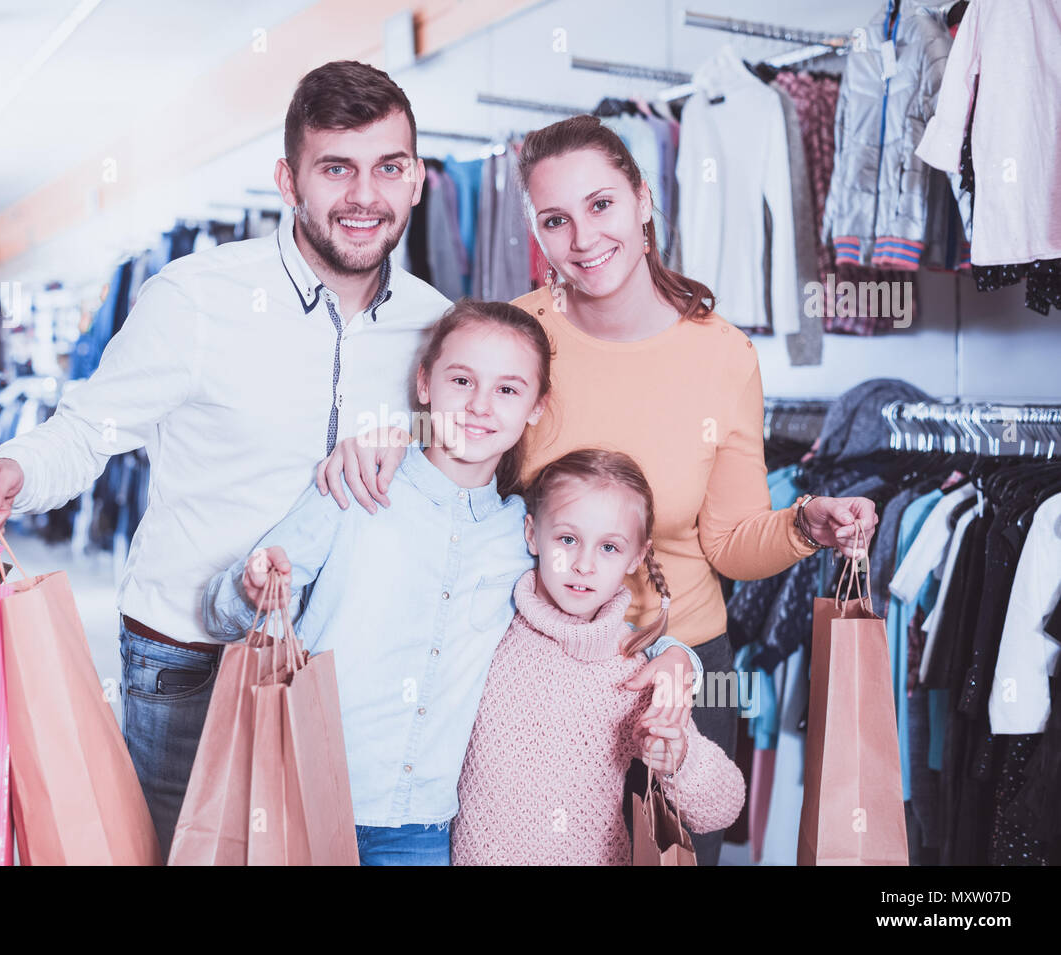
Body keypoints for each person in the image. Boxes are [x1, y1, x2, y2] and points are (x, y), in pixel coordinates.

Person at [314, 113, 879, 865]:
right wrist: (398, 436)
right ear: (537, 233)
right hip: (525, 663)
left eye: (601, 205)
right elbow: (462, 453)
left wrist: (806, 523)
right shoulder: (518, 331)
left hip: (674, 668)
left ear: (643, 200)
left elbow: (731, 543)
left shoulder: (722, 354)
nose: (582, 238)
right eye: (556, 219)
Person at [0, 60, 453, 857]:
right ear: (288, 179)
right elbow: (85, 429)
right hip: (191, 660)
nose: (365, 196)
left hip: (342, 662)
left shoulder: (438, 326)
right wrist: (16, 469)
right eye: (337, 169)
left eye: (388, 167)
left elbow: (454, 467)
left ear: (418, 179)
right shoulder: (194, 299)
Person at [204, 300, 700, 865]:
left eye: (509, 390)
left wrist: (680, 655)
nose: (480, 406)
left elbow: (601, 627)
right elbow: (222, 612)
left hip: (421, 829)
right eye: (462, 380)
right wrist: (250, 591)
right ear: (424, 384)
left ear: (537, 408)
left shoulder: (527, 535)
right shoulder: (355, 485)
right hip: (300, 797)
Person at [452, 448, 745, 865]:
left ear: (637, 557)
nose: (584, 564)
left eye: (609, 547)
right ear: (532, 534)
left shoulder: (633, 672)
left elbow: (723, 807)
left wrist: (680, 759)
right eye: (567, 540)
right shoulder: (486, 629)